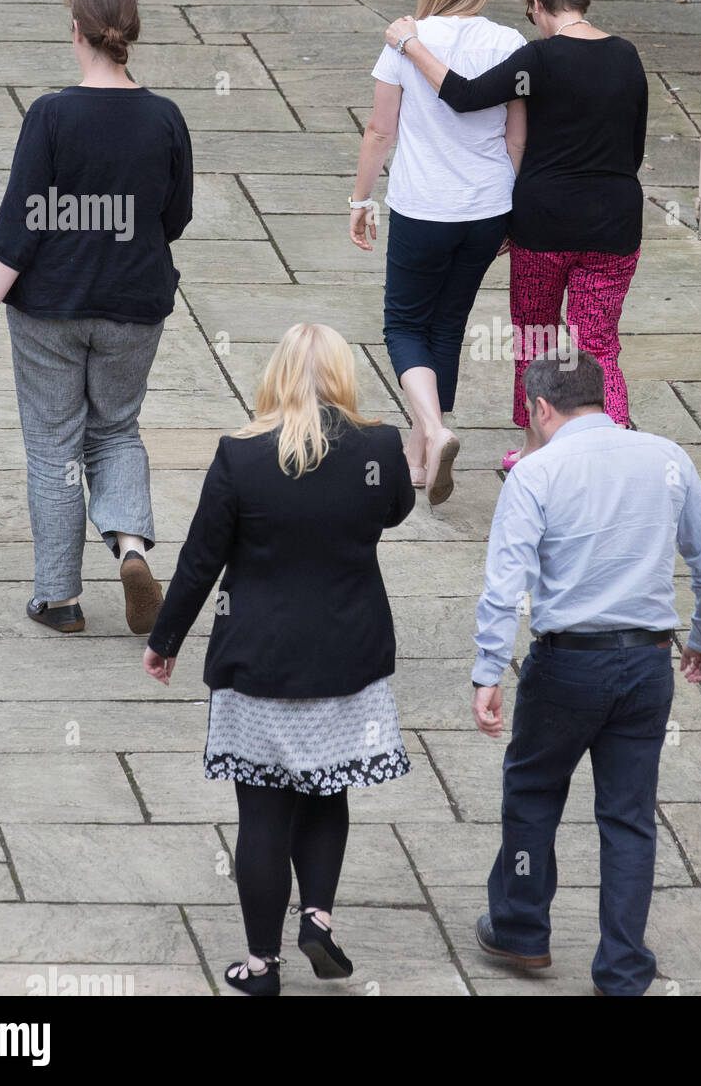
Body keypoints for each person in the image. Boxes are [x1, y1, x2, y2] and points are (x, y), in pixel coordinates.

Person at [143, 324, 415, 996]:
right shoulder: (378, 446)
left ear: (275, 375)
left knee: (262, 813)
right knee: (328, 793)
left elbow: (202, 558)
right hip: (347, 658)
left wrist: (166, 639)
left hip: (258, 659)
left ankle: (261, 965)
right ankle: (318, 918)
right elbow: (399, 509)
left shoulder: (242, 456)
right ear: (344, 377)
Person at [471, 350, 701, 995]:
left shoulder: (535, 474)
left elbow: (506, 588)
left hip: (567, 665)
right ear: (602, 396)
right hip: (647, 663)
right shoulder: (667, 457)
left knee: (534, 793)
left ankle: (522, 929)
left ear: (539, 408)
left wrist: (488, 670)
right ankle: (621, 967)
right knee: (629, 816)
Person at [0, 0, 192, 637]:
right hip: (133, 304)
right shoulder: (165, 117)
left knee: (54, 443)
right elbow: (173, 217)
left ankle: (60, 599)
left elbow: (20, 226)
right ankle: (130, 549)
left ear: (77, 34)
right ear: (130, 36)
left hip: (50, 309)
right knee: (117, 429)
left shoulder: (51, 116)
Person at [385, 0, 649, 469]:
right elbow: (634, 148)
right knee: (599, 343)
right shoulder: (627, 55)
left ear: (536, 3)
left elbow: (462, 94)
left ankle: (535, 451)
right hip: (615, 226)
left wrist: (409, 43)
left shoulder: (539, 58)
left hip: (543, 227)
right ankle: (611, 448)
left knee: (537, 336)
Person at [351, 0, 527, 504]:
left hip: (424, 205)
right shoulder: (510, 42)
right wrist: (513, 210)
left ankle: (431, 430)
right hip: (486, 206)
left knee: (403, 325)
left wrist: (360, 200)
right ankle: (419, 453)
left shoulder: (408, 38)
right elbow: (517, 138)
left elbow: (381, 130)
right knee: (447, 324)